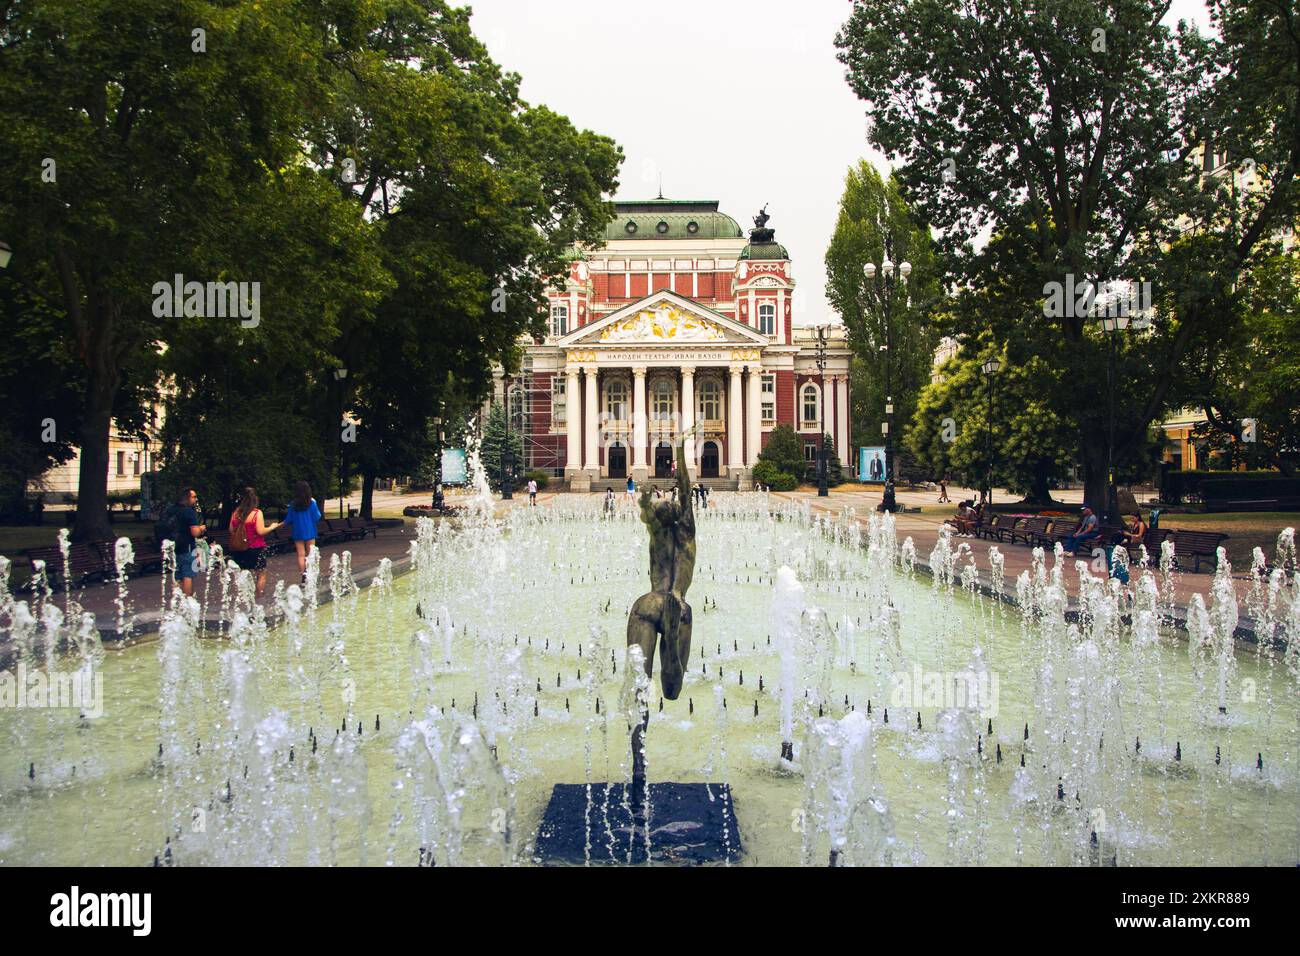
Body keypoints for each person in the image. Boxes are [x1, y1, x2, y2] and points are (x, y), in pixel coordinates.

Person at [228, 486, 282, 598]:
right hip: (255, 548)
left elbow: (231, 530)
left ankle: (244, 598)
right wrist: (272, 527)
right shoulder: (257, 513)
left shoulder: (235, 513)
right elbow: (260, 531)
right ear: (255, 499)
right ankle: (258, 597)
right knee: (261, 573)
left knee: (244, 574)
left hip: (240, 549)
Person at [163, 487, 205, 597]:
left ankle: (178, 600)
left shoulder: (171, 509)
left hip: (173, 547)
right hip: (187, 546)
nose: (196, 499)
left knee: (177, 575)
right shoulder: (189, 512)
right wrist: (201, 528)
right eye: (194, 497)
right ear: (187, 498)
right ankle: (187, 600)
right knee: (188, 575)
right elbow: (195, 532)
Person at [283, 480, 322, 581]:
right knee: (310, 554)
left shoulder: (293, 504)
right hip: (310, 531)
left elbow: (288, 519)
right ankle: (311, 575)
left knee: (301, 554)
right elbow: (317, 517)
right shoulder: (311, 503)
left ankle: (304, 576)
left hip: (297, 531)